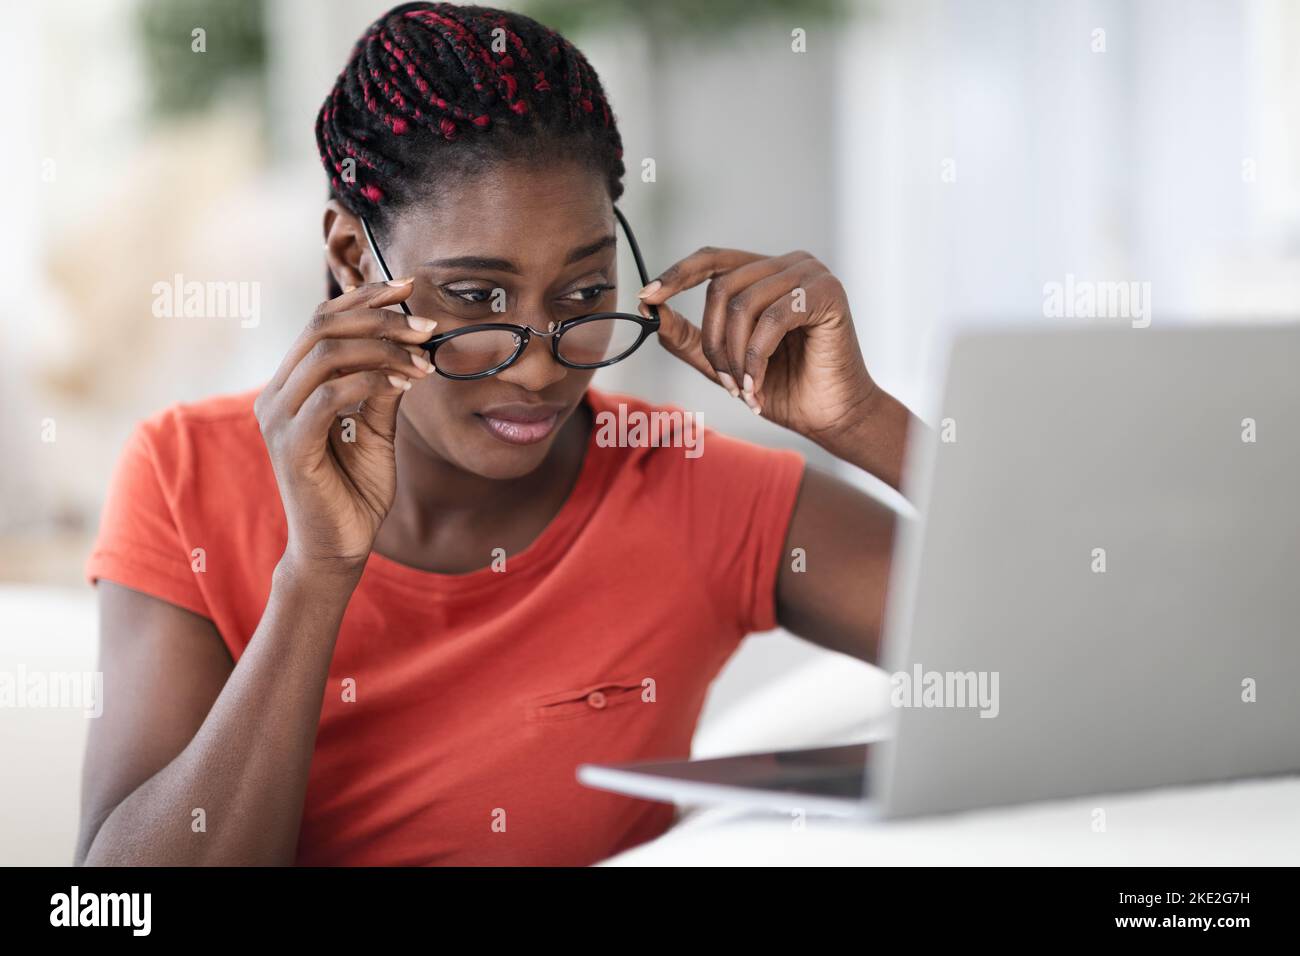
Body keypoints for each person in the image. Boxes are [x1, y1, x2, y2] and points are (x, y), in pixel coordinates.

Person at [76, 1, 919, 866]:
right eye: (477, 298)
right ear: (352, 257)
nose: (541, 368)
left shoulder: (688, 485)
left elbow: (1036, 668)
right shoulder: (185, 476)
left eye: (585, 294)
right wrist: (316, 574)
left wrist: (865, 422)